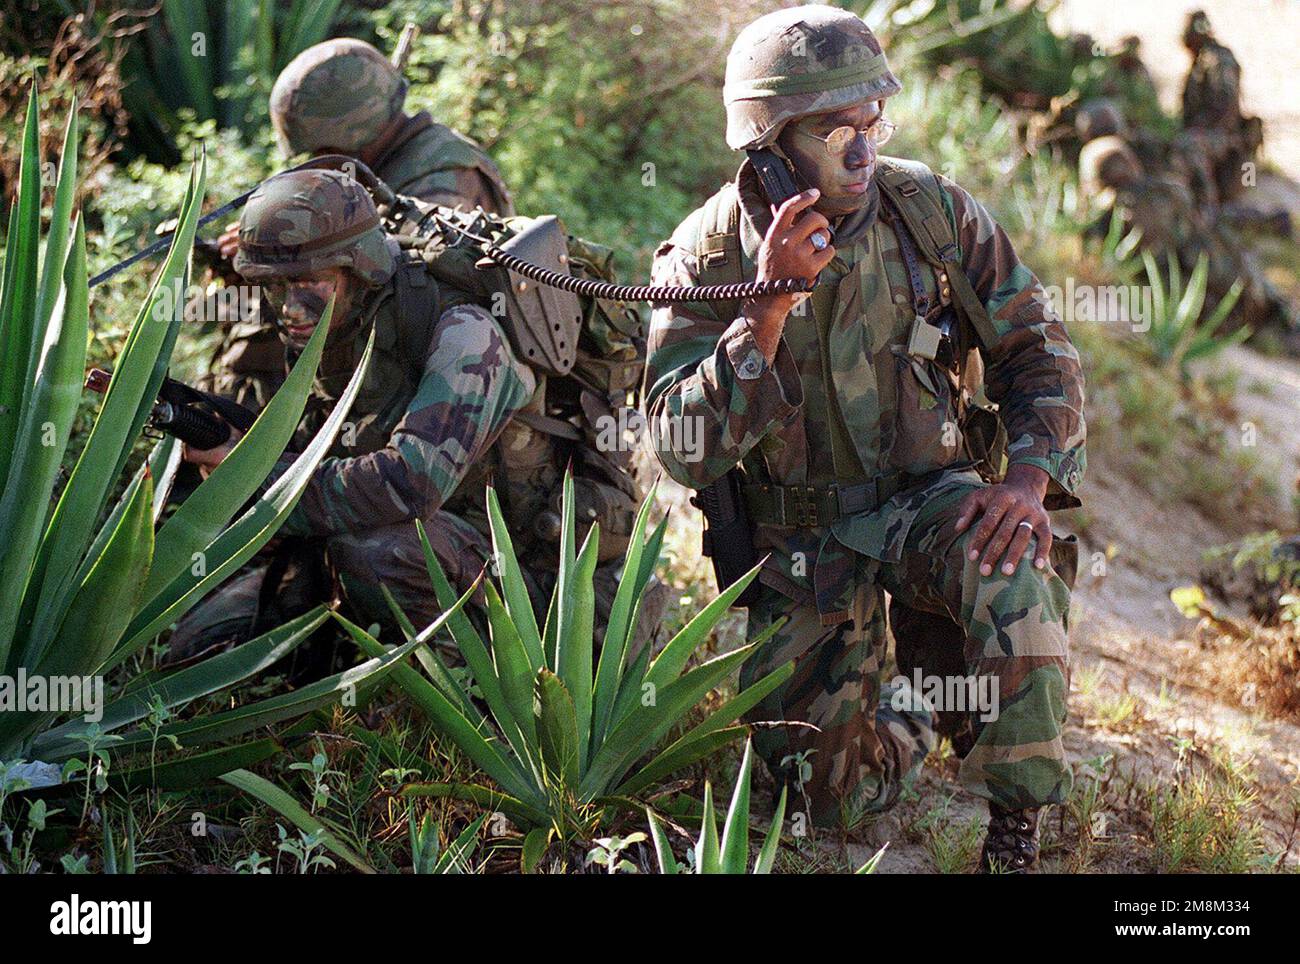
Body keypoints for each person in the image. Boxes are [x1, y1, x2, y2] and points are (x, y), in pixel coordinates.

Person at [643, 6, 1086, 872]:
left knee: (1016, 569)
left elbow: (1041, 350)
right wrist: (766, 307)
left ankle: (1013, 828)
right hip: (802, 540)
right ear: (767, 146)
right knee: (828, 797)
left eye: (870, 119)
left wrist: (1028, 479)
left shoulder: (930, 213)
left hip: (931, 504)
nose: (861, 147)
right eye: (830, 128)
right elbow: (682, 446)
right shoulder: (706, 259)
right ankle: (922, 687)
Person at [170, 169, 663, 664]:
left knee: (378, 551)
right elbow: (322, 450)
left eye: (308, 283)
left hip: (537, 587)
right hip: (443, 555)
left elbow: (408, 487)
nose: (290, 308)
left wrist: (255, 477)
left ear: (358, 267)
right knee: (190, 648)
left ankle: (471, 703)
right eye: (275, 288)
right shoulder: (336, 323)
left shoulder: (464, 332)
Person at [206, 38, 515, 414]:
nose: (318, 161)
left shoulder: (444, 170)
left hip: (446, 366)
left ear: (351, 132)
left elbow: (415, 268)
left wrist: (298, 249)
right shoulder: (376, 161)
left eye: (320, 150)